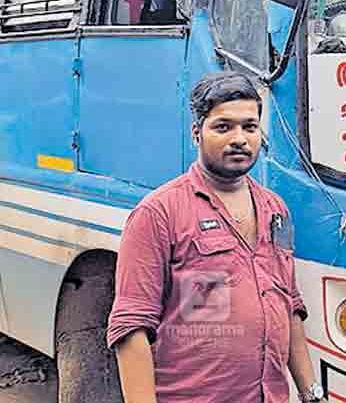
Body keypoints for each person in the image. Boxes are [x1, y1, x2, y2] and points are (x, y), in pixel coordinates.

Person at [108, 72, 325, 403]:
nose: (239, 139)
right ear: (197, 133)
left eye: (249, 127)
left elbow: (289, 304)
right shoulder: (158, 213)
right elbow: (131, 326)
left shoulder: (275, 209)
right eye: (223, 127)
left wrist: (312, 394)